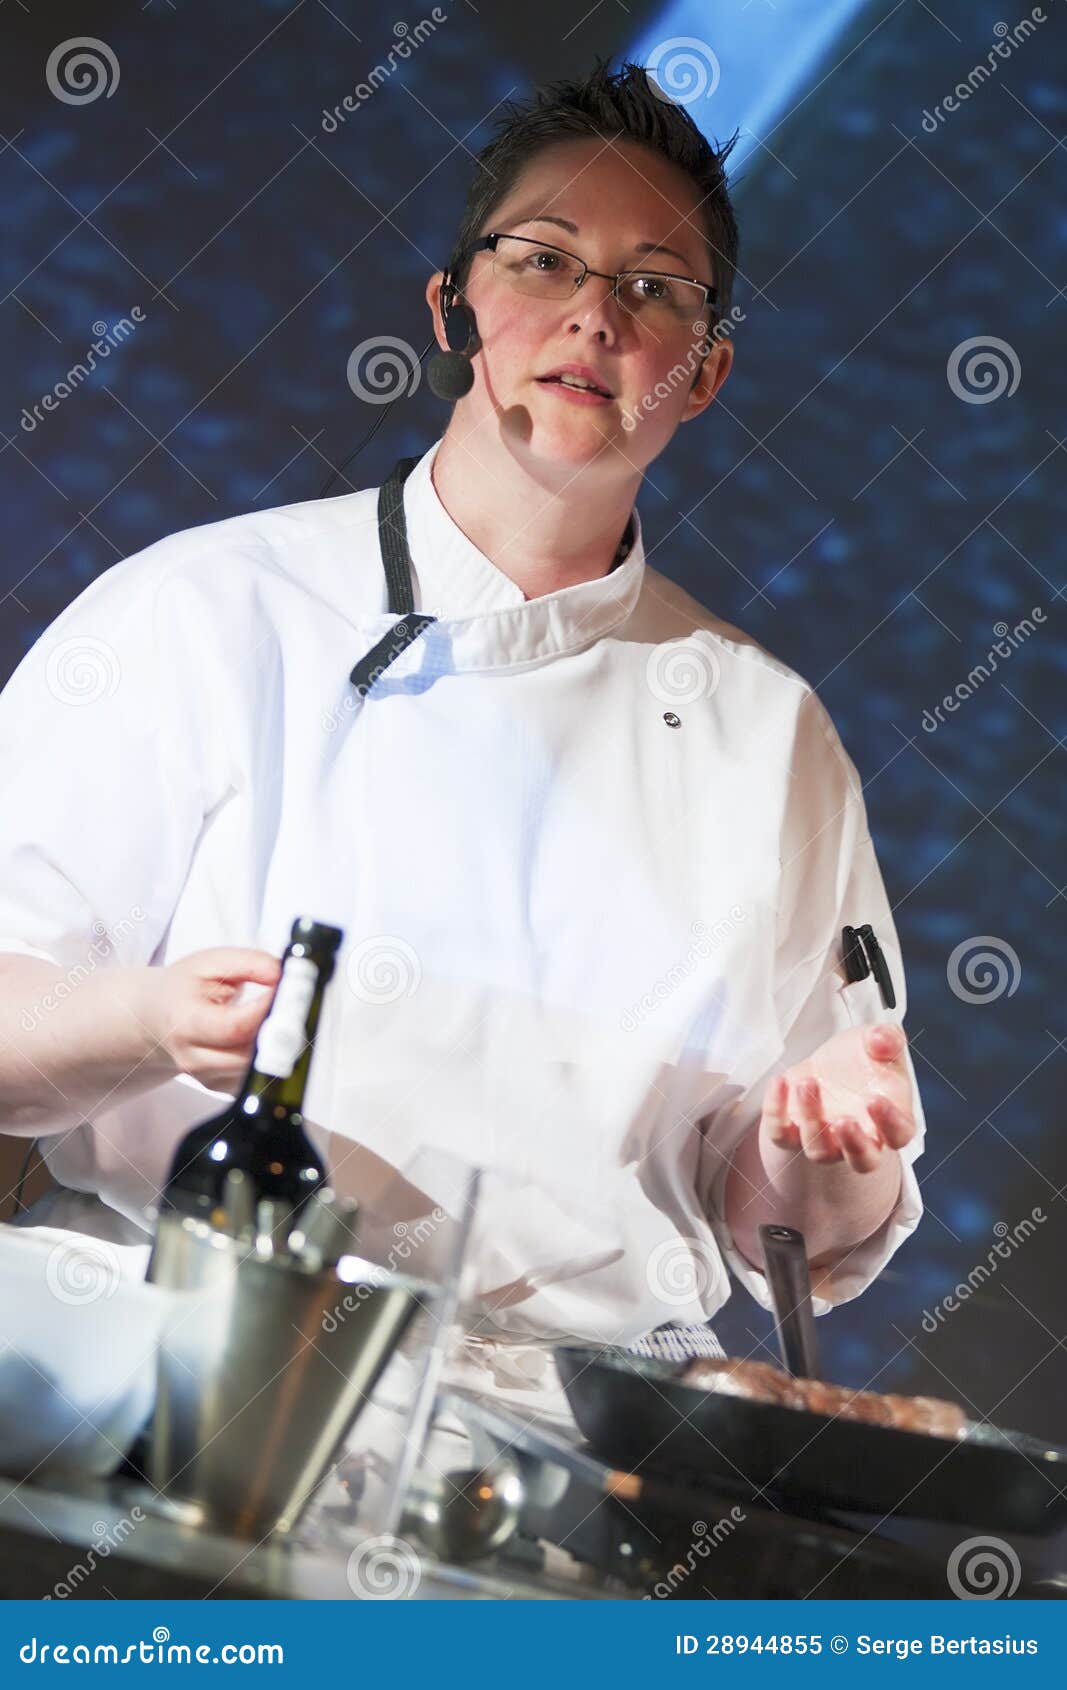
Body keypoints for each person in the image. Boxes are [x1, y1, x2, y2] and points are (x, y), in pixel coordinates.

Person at [0, 62, 924, 1409]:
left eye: (655, 289)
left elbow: (788, 1226)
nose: (596, 318)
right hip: (178, 1376)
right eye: (546, 260)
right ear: (454, 307)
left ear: (706, 372)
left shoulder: (767, 733)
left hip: (578, 1443)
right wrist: (146, 1017)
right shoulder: (201, 611)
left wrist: (832, 1146)